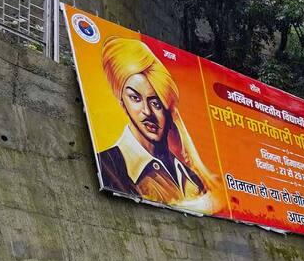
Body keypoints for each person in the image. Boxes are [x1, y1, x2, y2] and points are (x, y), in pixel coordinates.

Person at [93, 37, 223, 215]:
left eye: (156, 103)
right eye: (135, 98)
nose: (147, 112)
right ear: (122, 102)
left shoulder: (192, 178)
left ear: (170, 111)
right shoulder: (108, 166)